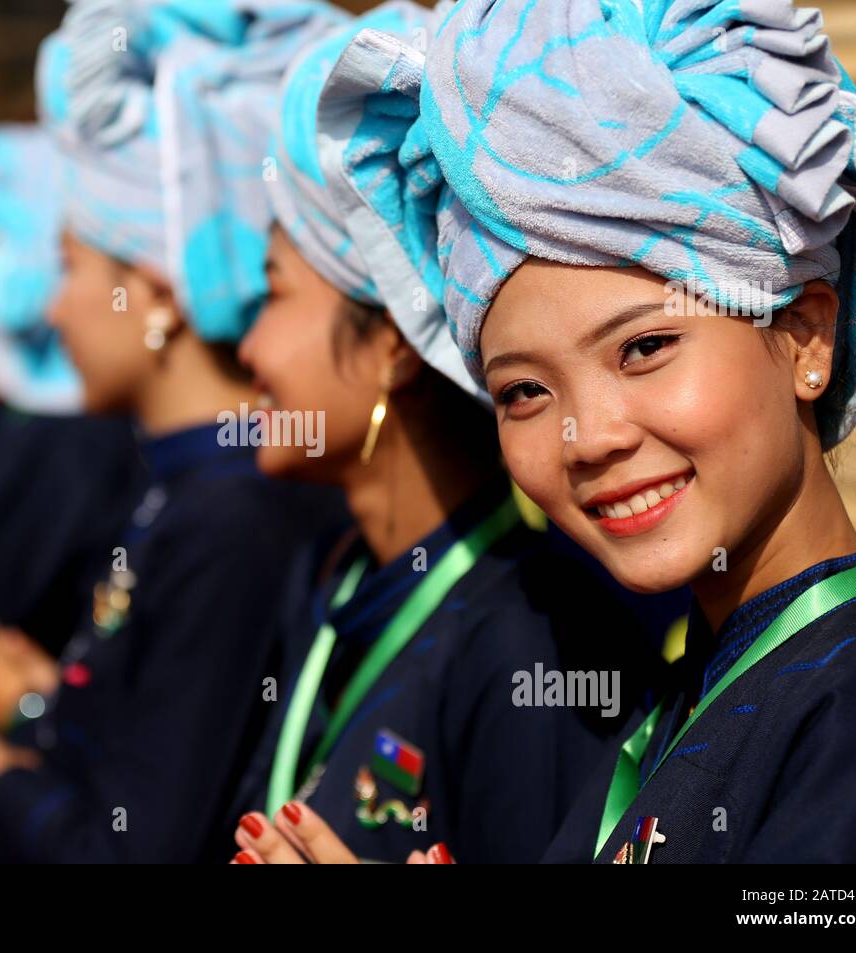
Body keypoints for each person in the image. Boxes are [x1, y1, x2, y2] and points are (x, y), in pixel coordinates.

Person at [0, 0, 346, 864]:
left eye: (74, 266)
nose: (52, 304)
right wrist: (25, 699)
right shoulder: (185, 486)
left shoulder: (233, 511)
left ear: (156, 294)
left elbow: (140, 842)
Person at [407, 0, 856, 862]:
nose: (588, 436)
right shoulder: (704, 691)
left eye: (644, 347)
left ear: (805, 337)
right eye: (525, 391)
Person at [225, 1, 657, 866]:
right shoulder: (338, 581)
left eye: (273, 294)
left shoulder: (535, 638)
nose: (245, 348)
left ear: (391, 342)